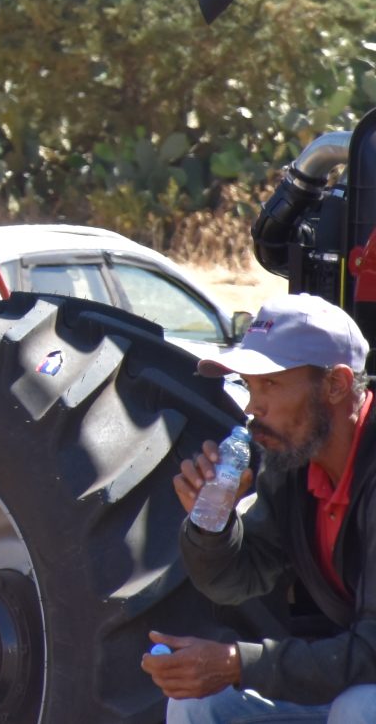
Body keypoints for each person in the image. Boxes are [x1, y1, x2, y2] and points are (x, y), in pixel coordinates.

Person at [146, 295, 376, 721]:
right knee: (197, 704)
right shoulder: (294, 464)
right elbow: (237, 582)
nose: (253, 408)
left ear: (337, 385)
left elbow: (372, 652)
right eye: (250, 387)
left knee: (359, 707)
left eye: (270, 384)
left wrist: (237, 663)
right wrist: (212, 524)